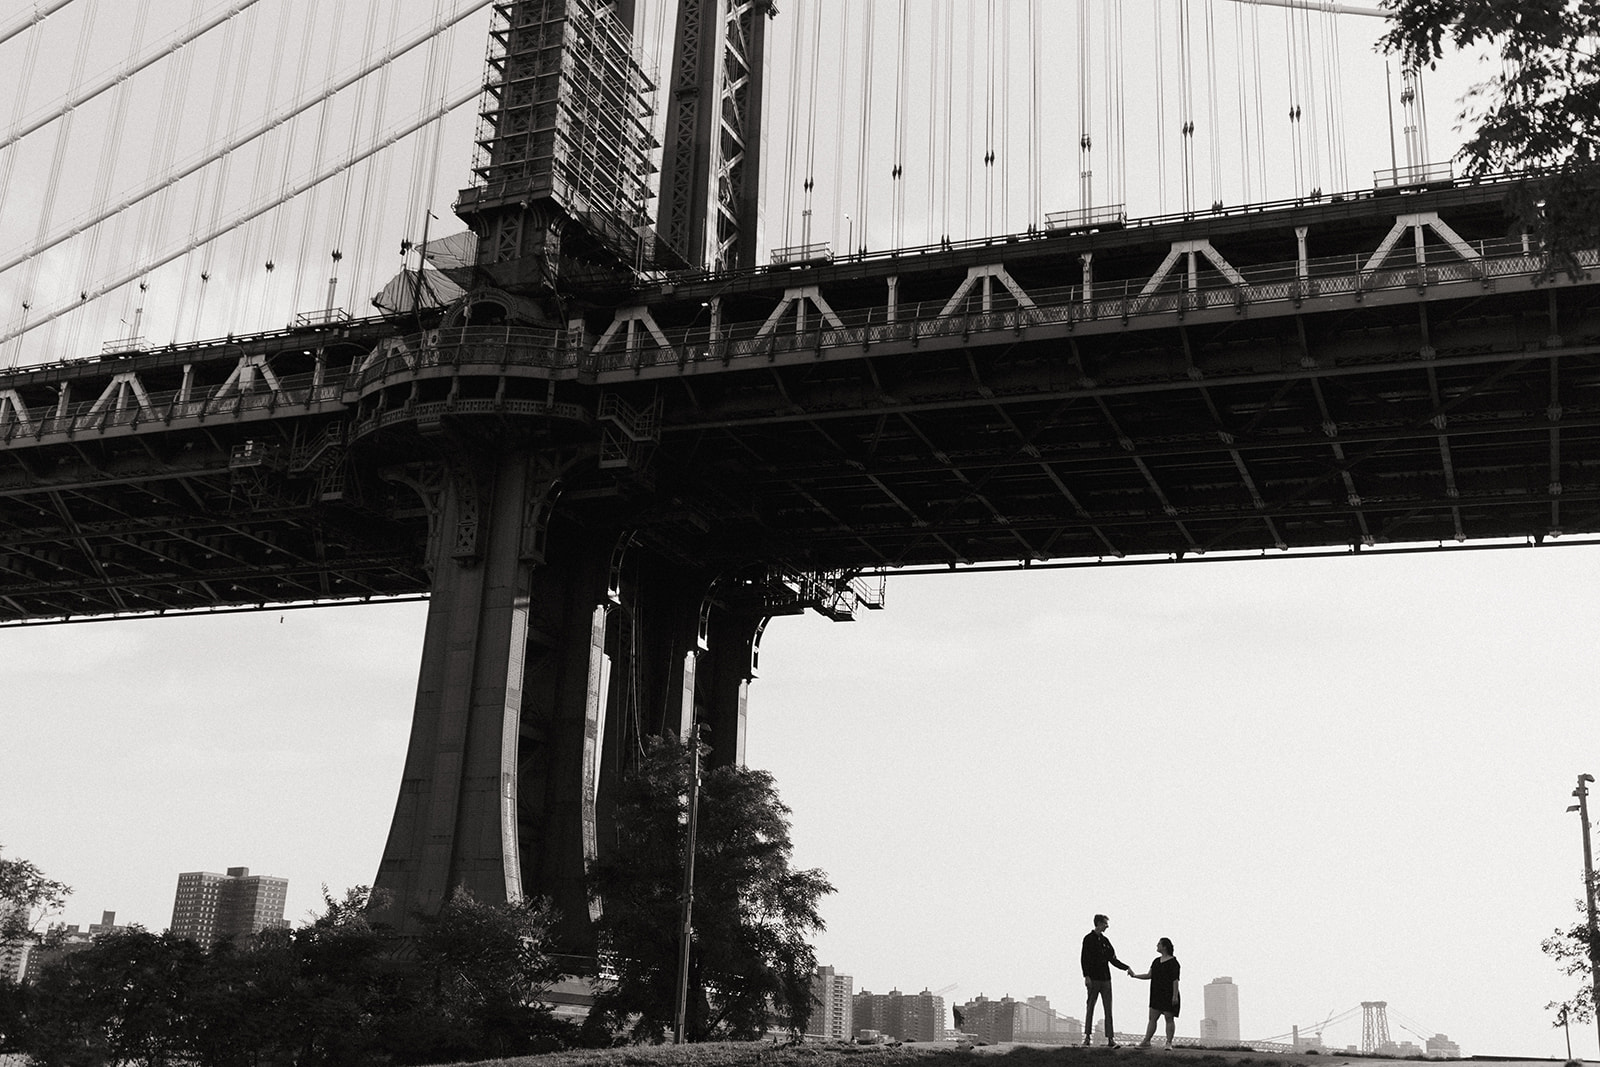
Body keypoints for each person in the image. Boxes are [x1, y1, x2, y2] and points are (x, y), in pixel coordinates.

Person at [1081, 913, 1133, 1047]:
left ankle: (1110, 1039)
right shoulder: (1088, 939)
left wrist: (1126, 967)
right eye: (1105, 923)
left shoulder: (1105, 941)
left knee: (1108, 1009)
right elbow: (1084, 959)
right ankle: (1087, 1037)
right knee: (1090, 1007)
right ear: (1098, 923)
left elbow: (1113, 959)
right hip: (1093, 978)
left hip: (1106, 979)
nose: (1107, 926)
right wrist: (1086, 976)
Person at [1129, 937, 1182, 1049]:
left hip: (1169, 994)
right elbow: (1149, 975)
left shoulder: (1174, 963)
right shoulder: (1156, 961)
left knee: (1169, 1018)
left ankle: (1168, 1042)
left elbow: (1175, 980)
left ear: (1164, 946)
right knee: (1152, 1018)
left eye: (1159, 944)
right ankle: (1146, 1041)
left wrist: (1175, 995)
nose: (1157, 946)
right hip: (1156, 994)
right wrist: (1135, 976)